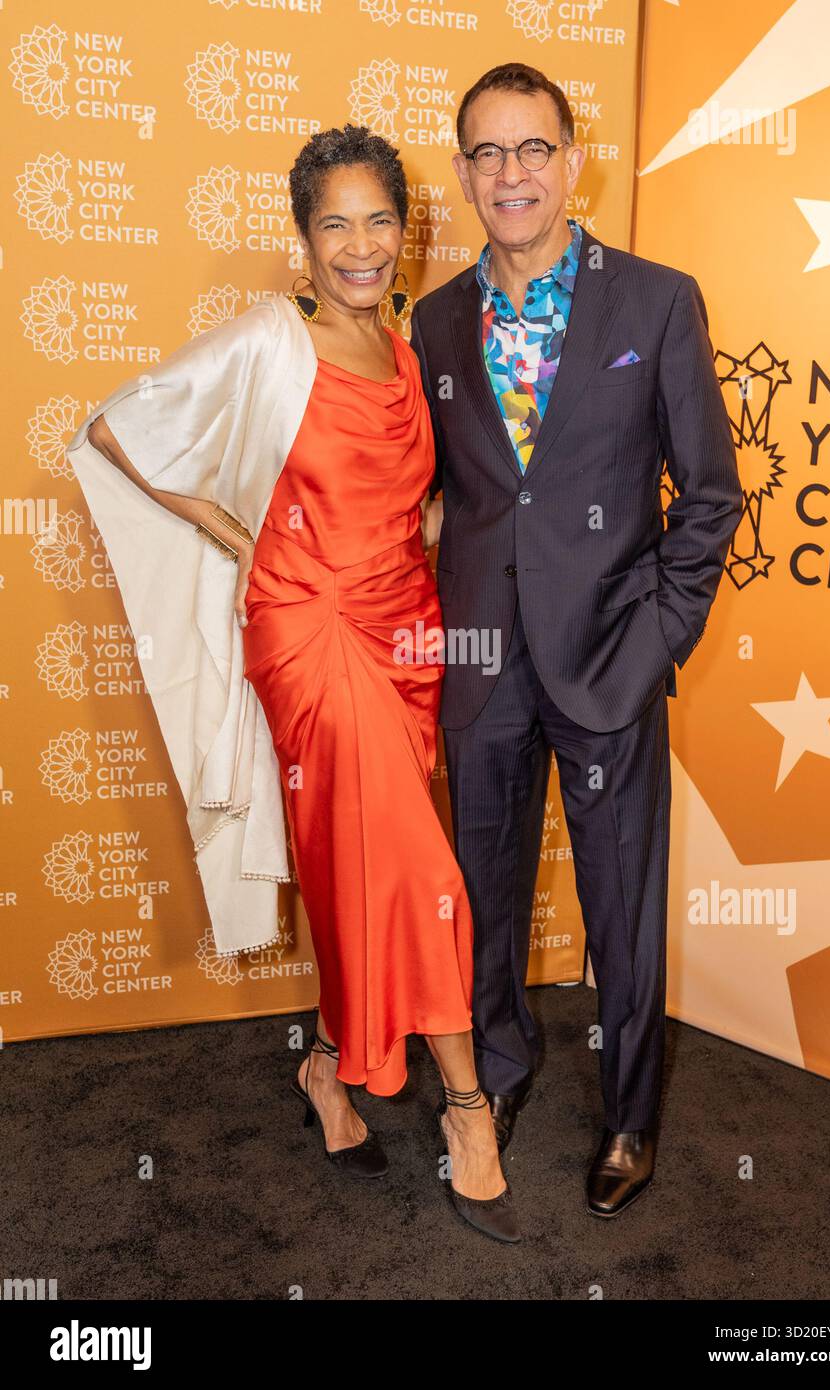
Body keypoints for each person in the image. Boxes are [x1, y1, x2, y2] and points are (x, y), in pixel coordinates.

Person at [72, 124, 520, 1245]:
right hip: (308, 631)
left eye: (380, 221)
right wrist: (241, 539)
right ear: (302, 238)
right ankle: (466, 1108)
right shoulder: (275, 337)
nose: (360, 246)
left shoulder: (414, 352)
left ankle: (326, 1066)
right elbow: (118, 427)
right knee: (421, 873)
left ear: (403, 231)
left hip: (402, 632)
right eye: (336, 224)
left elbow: (403, 499)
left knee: (363, 872)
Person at [410, 64, 744, 1218]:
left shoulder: (653, 302)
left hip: (610, 662)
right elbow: (450, 494)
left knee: (619, 909)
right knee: (484, 897)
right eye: (488, 154)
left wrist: (654, 642)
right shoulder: (435, 318)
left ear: (571, 160)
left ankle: (626, 1117)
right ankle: (494, 1073)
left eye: (533, 149)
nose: (512, 174)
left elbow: (708, 498)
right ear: (461, 175)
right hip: (480, 667)